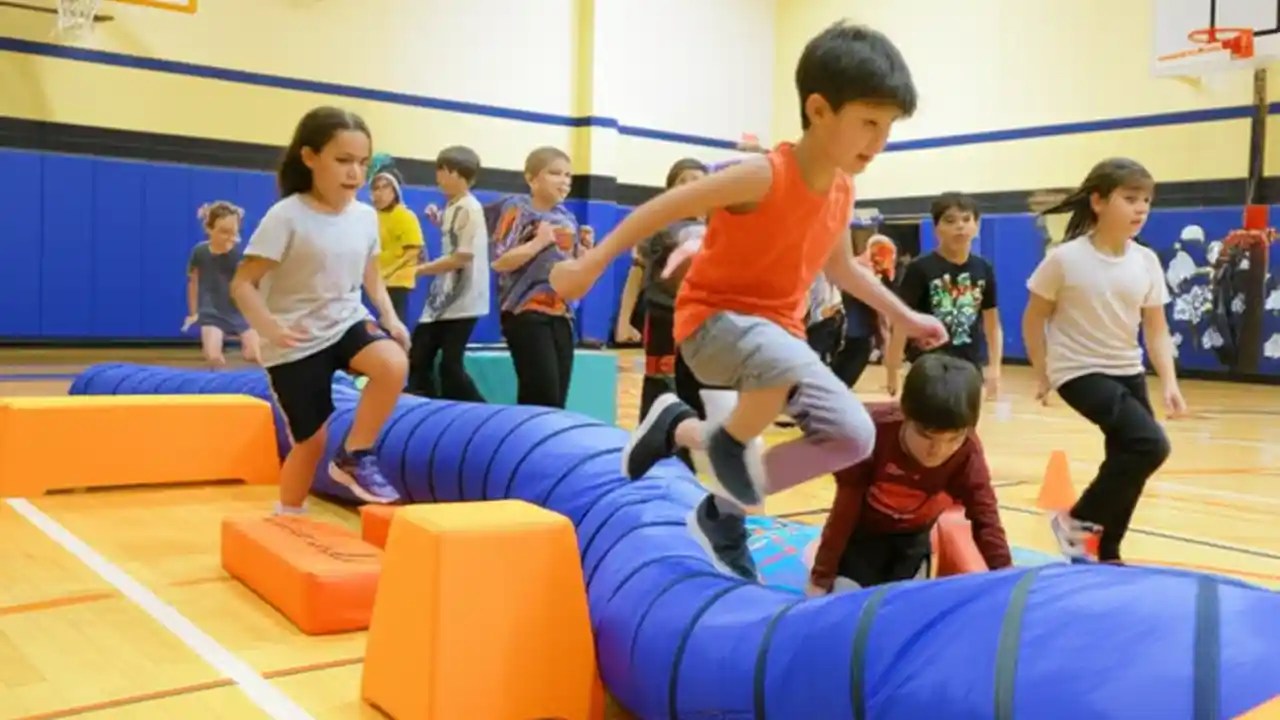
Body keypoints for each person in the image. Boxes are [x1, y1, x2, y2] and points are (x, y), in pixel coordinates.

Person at [549, 22, 947, 579]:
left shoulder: (841, 188)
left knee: (851, 436)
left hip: (775, 343)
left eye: (888, 128)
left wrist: (902, 313)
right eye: (869, 123)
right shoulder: (763, 175)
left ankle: (715, 502)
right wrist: (590, 264)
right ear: (818, 109)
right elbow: (662, 209)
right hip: (712, 326)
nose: (879, 142)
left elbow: (838, 268)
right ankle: (730, 446)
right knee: (783, 360)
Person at [230, 106, 410, 513]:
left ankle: (356, 454)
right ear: (310, 158)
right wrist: (267, 328)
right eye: (343, 161)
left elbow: (371, 276)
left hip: (344, 321)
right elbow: (242, 282)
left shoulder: (365, 217)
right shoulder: (287, 216)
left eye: (363, 163)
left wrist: (390, 317)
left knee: (392, 364)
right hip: (293, 342)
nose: (355, 173)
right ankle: (289, 512)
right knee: (310, 442)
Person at [1022, 157, 1186, 564]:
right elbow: (1033, 319)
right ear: (1098, 201)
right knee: (1150, 445)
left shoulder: (1145, 261)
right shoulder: (1065, 259)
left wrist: (1169, 381)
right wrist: (1042, 373)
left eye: (1146, 200)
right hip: (1077, 371)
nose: (1141, 208)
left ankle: (1107, 550)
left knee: (1128, 457)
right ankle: (1077, 522)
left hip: (1127, 369)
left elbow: (1156, 328)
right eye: (1130, 198)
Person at [806, 354, 1011, 595]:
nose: (938, 450)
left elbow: (986, 517)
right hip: (862, 534)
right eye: (926, 436)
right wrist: (821, 577)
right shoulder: (869, 436)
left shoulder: (967, 452)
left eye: (953, 439)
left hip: (913, 539)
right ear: (905, 414)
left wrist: (1009, 580)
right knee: (847, 605)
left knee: (902, 607)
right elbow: (845, 509)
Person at [488, 146, 594, 409]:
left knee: (557, 399)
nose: (564, 181)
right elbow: (500, 261)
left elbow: (573, 270)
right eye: (555, 173)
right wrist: (538, 242)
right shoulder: (518, 209)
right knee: (540, 394)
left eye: (568, 175)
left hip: (562, 313)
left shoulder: (567, 218)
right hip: (526, 311)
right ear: (532, 179)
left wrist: (587, 251)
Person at [886, 192, 1002, 399]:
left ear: (977, 226)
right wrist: (892, 369)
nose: (960, 226)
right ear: (936, 228)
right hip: (929, 363)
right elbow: (901, 321)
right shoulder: (920, 268)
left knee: (965, 423)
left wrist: (995, 367)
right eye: (950, 221)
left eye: (966, 220)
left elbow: (992, 324)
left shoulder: (983, 268)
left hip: (969, 364)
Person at [407, 145, 488, 402]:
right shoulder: (454, 206)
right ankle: (427, 404)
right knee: (419, 353)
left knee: (450, 365)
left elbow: (462, 256)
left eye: (442, 172)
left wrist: (422, 269)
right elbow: (455, 236)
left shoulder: (469, 208)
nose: (438, 178)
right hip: (444, 296)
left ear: (457, 174)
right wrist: (439, 220)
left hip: (461, 296)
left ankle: (479, 410)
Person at [630, 158, 709, 421]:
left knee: (696, 384)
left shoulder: (718, 228)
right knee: (660, 381)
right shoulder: (659, 226)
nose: (688, 186)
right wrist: (623, 321)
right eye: (682, 181)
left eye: (696, 181)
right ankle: (652, 435)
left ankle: (688, 444)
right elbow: (637, 272)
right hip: (664, 314)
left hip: (702, 320)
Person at [184, 201, 260, 368]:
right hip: (211, 311)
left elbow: (251, 284)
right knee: (213, 356)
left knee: (255, 354)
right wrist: (193, 312)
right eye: (224, 232)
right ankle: (218, 386)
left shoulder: (240, 255)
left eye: (233, 232)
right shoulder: (200, 252)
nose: (229, 237)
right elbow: (193, 282)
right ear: (209, 229)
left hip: (239, 311)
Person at [370, 160, 424, 326]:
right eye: (375, 188)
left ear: (395, 191)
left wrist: (388, 271)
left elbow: (413, 251)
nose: (379, 193)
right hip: (376, 280)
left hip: (397, 281)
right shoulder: (371, 216)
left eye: (384, 187)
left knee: (394, 326)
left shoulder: (405, 215)